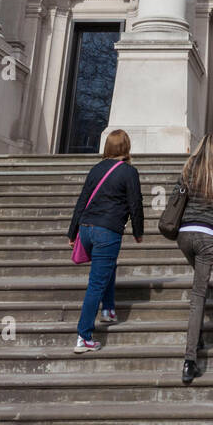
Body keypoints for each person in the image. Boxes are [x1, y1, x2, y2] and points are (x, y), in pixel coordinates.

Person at [67, 129, 143, 354]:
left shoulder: (96, 169)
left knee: (108, 266)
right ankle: (84, 337)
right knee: (96, 284)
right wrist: (138, 231)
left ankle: (108, 309)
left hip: (86, 228)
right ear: (126, 147)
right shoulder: (129, 172)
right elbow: (135, 204)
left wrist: (72, 232)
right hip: (107, 230)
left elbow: (82, 201)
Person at [175, 133, 213, 385]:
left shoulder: (189, 169)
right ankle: (189, 360)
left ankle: (197, 332)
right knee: (199, 294)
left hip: (184, 235)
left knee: (201, 285)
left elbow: (176, 198)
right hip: (206, 237)